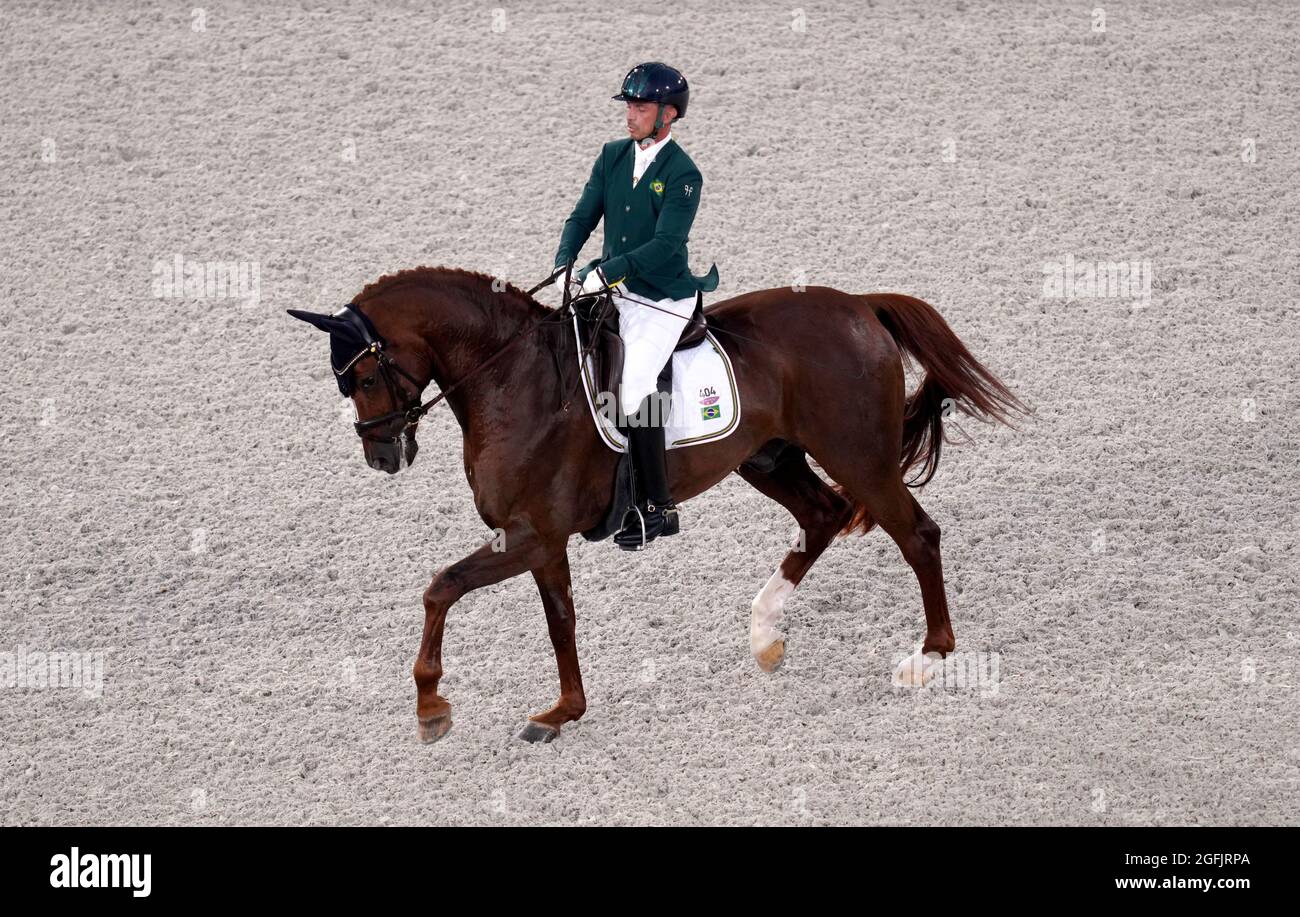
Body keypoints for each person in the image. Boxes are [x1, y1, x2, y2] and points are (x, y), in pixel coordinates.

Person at [552, 61, 720, 550]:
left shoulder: (685, 174)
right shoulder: (611, 157)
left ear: (668, 114)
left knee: (636, 387)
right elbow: (582, 215)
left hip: (661, 296)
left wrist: (608, 269)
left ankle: (657, 506)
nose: (630, 115)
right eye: (628, 105)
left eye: (640, 107)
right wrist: (567, 262)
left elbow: (668, 244)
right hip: (611, 284)